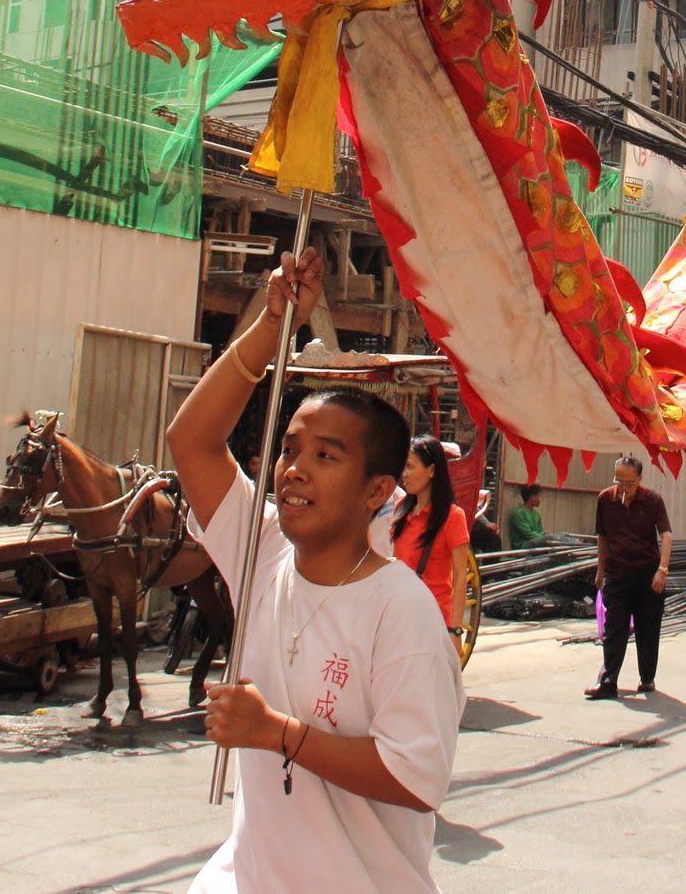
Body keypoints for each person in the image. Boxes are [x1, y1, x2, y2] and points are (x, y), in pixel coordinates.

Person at [166, 247, 464, 894]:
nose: (295, 469)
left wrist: (274, 732)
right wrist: (273, 325)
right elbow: (191, 441)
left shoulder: (401, 610)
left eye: (326, 456)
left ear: (377, 489)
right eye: (290, 449)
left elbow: (415, 777)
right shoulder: (264, 549)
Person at [586, 456, 672, 699]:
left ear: (639, 479)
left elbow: (666, 536)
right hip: (616, 574)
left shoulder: (653, 500)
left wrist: (662, 570)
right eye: (619, 481)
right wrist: (600, 571)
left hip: (647, 575)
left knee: (648, 629)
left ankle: (647, 678)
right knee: (614, 629)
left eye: (630, 482)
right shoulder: (605, 499)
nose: (624, 487)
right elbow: (602, 537)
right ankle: (608, 681)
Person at [391, 436, 471, 638]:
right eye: (403, 467)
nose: (404, 474)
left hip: (434, 621)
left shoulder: (453, 517)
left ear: (432, 470)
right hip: (400, 618)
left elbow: (460, 576)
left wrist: (455, 630)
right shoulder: (400, 510)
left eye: (410, 467)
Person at [508, 483, 546, 549]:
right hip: (523, 546)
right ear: (531, 497)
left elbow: (541, 532)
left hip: (537, 542)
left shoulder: (536, 514)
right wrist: (544, 538)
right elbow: (527, 534)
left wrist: (545, 537)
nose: (540, 500)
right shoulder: (518, 513)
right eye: (538, 497)